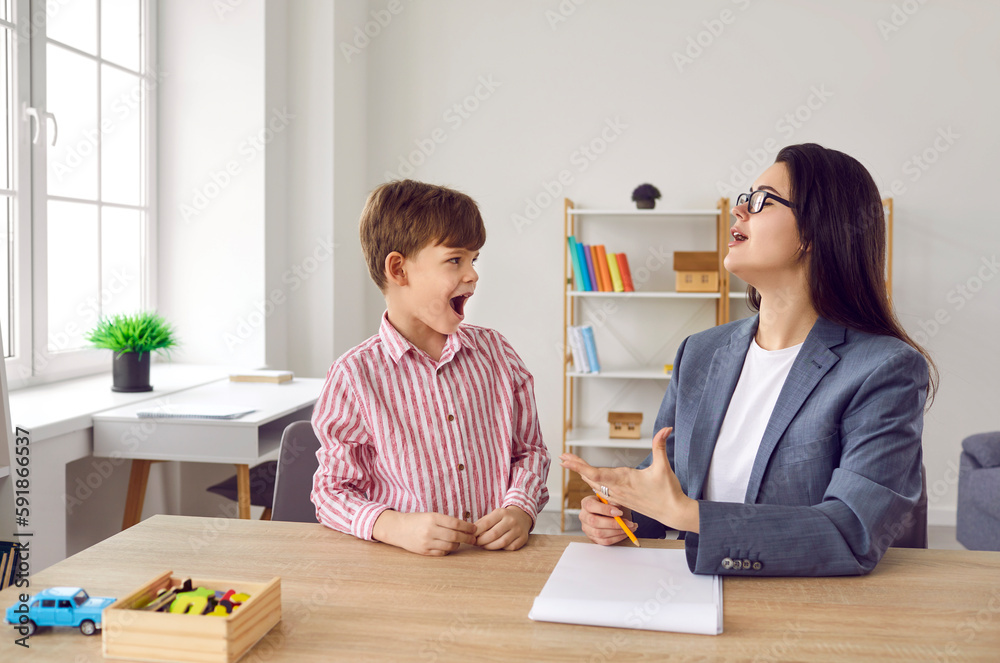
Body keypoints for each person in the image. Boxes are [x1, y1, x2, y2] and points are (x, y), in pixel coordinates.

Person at [562, 143, 937, 576]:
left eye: (762, 200)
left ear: (817, 232)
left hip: (810, 618)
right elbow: (669, 486)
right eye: (745, 196)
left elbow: (851, 532)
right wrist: (622, 511)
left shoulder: (885, 369)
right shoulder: (699, 353)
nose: (740, 209)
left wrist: (688, 516)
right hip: (690, 599)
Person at [311, 180, 550, 556]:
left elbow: (530, 451)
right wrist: (393, 526)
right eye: (455, 260)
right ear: (398, 269)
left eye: (474, 259)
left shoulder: (498, 355)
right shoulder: (354, 376)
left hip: (496, 564)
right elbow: (331, 492)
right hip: (404, 572)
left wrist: (520, 508)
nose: (472, 274)